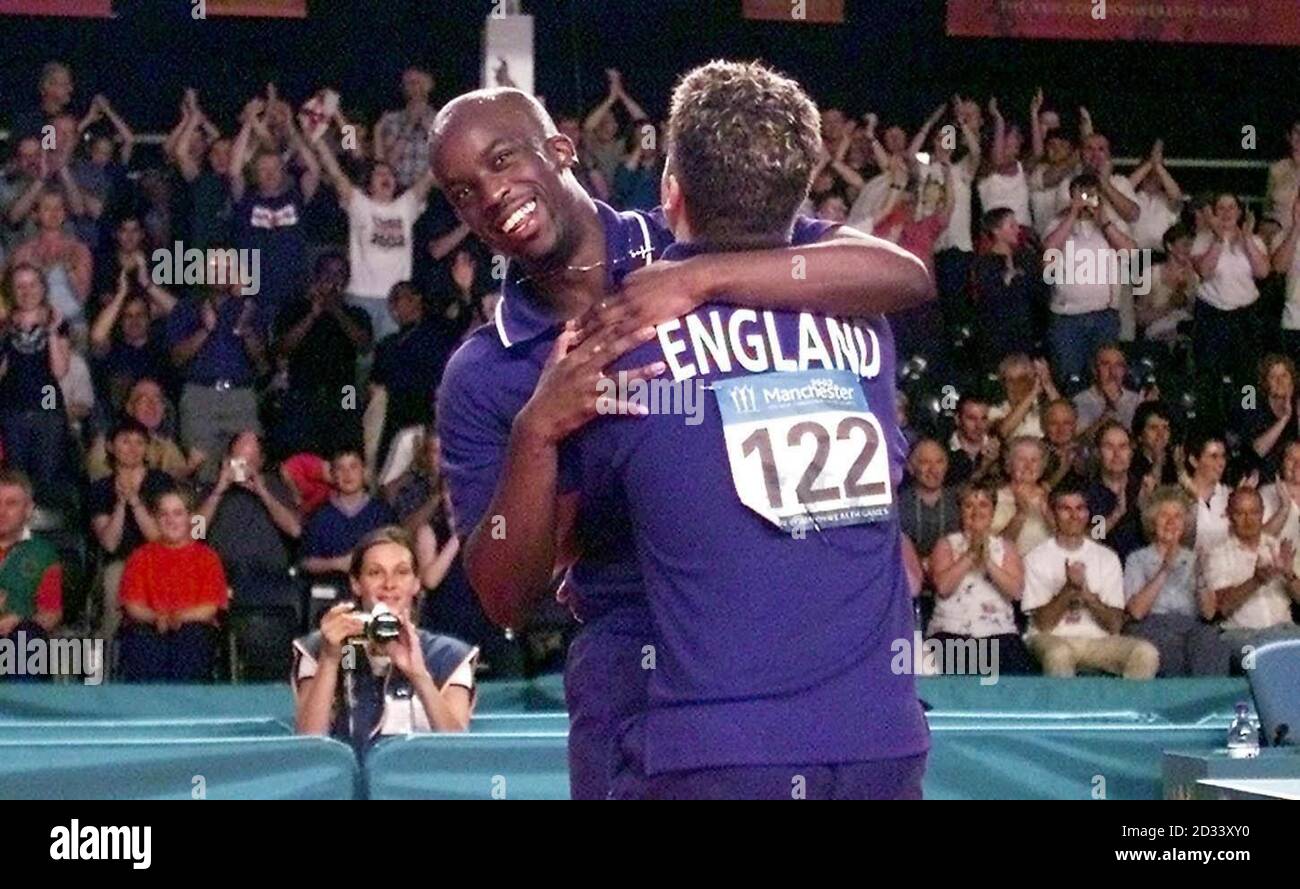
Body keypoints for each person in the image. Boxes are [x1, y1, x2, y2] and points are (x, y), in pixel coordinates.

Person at [430, 81, 932, 800]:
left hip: (779, 684)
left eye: (503, 160)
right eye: (461, 193)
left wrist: (695, 276)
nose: (490, 194)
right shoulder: (485, 372)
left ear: (561, 150)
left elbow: (897, 272)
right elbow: (506, 596)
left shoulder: (695, 227)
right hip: (646, 690)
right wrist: (536, 432)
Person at [294, 526, 477, 750]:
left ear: (416, 582)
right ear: (356, 584)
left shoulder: (447, 654)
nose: (389, 584)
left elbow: (459, 749)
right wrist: (330, 659)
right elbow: (308, 745)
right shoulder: (323, 647)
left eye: (401, 572)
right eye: (375, 572)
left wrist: (418, 675)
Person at [1021, 483, 1160, 679]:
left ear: (1088, 514)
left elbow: (1114, 625)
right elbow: (1042, 624)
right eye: (1065, 509)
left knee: (1146, 653)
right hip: (1052, 638)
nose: (1074, 515)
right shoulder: (1035, 558)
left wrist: (1087, 595)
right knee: (1059, 654)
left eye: (1080, 508)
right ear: (1052, 515)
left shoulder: (1107, 557)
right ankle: (1065, 710)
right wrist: (1069, 589)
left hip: (1098, 640)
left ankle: (1126, 710)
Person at [196, 430, 302, 680]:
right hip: (224, 578)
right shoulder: (211, 491)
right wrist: (219, 489)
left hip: (271, 578)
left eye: (250, 461)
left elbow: (295, 530)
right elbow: (195, 533)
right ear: (227, 460)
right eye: (238, 460)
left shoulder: (274, 487)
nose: (244, 467)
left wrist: (262, 492)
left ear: (261, 463)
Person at [313, 129, 436, 340]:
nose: (386, 176)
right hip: (361, 296)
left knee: (390, 362)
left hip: (397, 300)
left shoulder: (405, 206)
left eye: (389, 174)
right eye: (379, 174)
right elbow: (335, 174)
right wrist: (317, 140)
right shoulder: (360, 205)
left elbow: (431, 174)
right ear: (369, 184)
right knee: (361, 363)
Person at [166, 250, 268, 482]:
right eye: (214, 266)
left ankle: (239, 516)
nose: (220, 271)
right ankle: (204, 518)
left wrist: (246, 329)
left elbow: (262, 364)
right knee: (202, 473)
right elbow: (177, 359)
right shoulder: (186, 308)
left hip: (240, 396)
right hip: (199, 395)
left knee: (243, 471)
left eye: (226, 266)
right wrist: (205, 329)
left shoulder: (249, 308)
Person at [118, 488, 228, 682]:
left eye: (178, 513)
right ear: (156, 520)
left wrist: (177, 617)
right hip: (149, 626)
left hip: (193, 630)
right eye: (164, 514)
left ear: (190, 518)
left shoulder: (207, 557)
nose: (171, 520)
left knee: (193, 638)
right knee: (141, 640)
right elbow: (133, 606)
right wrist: (157, 617)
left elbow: (209, 609)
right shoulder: (140, 556)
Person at [1041, 173, 1138, 390]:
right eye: (1082, 195)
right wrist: (1073, 213)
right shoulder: (1058, 222)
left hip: (1104, 317)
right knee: (1070, 381)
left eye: (1092, 195)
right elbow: (1048, 251)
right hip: (1067, 320)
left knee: (1106, 382)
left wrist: (1103, 221)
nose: (1087, 200)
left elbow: (1130, 252)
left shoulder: (1112, 224)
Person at [926, 482, 1035, 674]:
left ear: (993, 511)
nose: (976, 511)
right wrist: (970, 556)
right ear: (960, 511)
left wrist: (988, 563)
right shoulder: (946, 544)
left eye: (983, 505)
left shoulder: (1005, 547)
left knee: (1020, 673)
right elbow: (943, 588)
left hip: (999, 633)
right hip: (952, 631)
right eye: (969, 505)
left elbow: (1016, 592)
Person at [272, 252, 372, 457]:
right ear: (316, 276)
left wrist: (335, 310)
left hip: (346, 391)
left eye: (339, 274)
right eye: (327, 273)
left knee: (347, 446)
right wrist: (312, 314)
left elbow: (363, 345)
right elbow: (282, 348)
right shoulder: (294, 309)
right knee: (301, 451)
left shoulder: (356, 313)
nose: (333, 280)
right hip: (304, 390)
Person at [1123, 487, 1231, 676]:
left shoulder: (1194, 558)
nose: (1171, 522)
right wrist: (1165, 569)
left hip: (1191, 625)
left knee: (1211, 640)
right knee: (1170, 646)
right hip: (1151, 625)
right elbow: (1136, 612)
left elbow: (1208, 613)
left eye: (1178, 516)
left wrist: (1200, 576)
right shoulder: (1137, 559)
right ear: (1152, 521)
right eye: (1164, 515)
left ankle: (1211, 703)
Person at [87, 418, 172, 640]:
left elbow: (159, 537)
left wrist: (135, 501)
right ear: (110, 447)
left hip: (161, 559)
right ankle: (108, 658)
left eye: (139, 442)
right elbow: (109, 543)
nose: (133, 448)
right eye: (125, 441)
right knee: (116, 579)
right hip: (120, 561)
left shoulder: (161, 483)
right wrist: (120, 504)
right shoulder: (99, 489)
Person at [0, 262, 74, 507]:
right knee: (16, 479)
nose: (27, 291)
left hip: (47, 408)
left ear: (42, 288)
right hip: (13, 410)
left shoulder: (58, 321)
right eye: (20, 286)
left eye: (32, 284)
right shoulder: (4, 325)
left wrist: (51, 331)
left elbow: (59, 371)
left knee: (47, 479)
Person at [1201, 487, 1300, 661]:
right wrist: (1256, 580)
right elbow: (1222, 607)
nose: (1248, 520)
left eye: (1254, 512)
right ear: (1229, 516)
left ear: (1262, 513)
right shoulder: (1217, 554)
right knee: (1264, 661)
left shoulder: (1278, 548)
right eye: (1240, 513)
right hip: (1243, 636)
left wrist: (1289, 575)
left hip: (1285, 632)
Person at [299, 445, 397, 605]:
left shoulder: (382, 513)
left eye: (353, 466)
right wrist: (337, 564)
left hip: (376, 597)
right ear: (332, 474)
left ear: (364, 471)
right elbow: (306, 562)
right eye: (340, 468)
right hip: (330, 597)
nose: (347, 474)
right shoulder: (320, 515)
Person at [0, 470, 63, 678]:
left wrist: (20, 620)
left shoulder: (43, 554)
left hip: (17, 643)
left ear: (28, 510)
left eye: (11, 504)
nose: (2, 511)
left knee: (26, 637)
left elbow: (51, 615)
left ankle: (21, 709)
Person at [374, 67, 438, 190]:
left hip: (432, 190)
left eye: (417, 82)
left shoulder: (442, 118)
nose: (414, 88)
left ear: (429, 85)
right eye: (409, 83)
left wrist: (427, 127)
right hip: (401, 191)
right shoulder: (391, 120)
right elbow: (387, 163)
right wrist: (409, 126)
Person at [899, 439, 959, 564]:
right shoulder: (899, 504)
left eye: (939, 462)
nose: (933, 469)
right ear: (910, 467)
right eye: (925, 462)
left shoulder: (959, 500)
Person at [992, 436, 1055, 555]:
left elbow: (1067, 542)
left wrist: (1048, 513)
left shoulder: (1052, 498)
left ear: (1042, 467)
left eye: (1034, 460)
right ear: (1008, 465)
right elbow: (995, 549)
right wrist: (1020, 515)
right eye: (1021, 459)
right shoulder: (994, 498)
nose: (1028, 466)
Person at [946, 394, 1000, 486]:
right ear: (957, 419)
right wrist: (984, 466)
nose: (979, 426)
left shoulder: (1000, 449)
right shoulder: (942, 450)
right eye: (971, 418)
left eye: (984, 419)